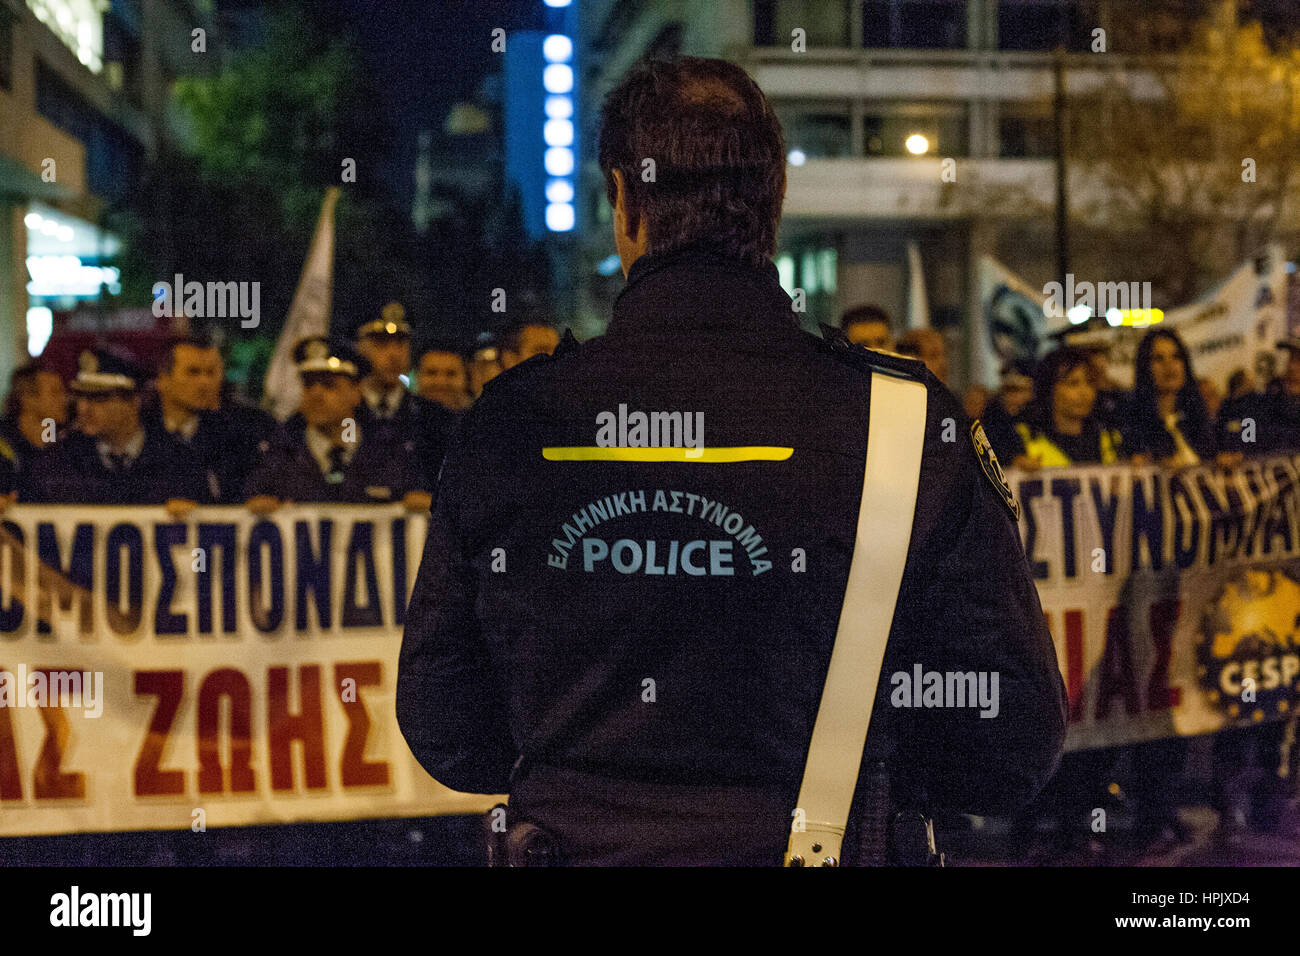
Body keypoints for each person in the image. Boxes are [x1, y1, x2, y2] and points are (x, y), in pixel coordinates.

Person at [396, 55, 1067, 866]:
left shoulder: (508, 422)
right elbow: (1008, 738)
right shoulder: (906, 423)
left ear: (623, 201)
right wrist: (859, 763)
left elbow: (445, 722)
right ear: (773, 203)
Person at [243, 337, 426, 511]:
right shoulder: (277, 456)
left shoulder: (392, 453)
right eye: (309, 384)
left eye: (329, 385)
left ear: (356, 392)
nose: (316, 394)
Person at [33, 350, 206, 512]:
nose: (84, 407)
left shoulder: (178, 461)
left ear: (134, 402)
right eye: (80, 397)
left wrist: (193, 513)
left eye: (99, 398)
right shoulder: (59, 460)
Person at [146, 336, 277, 504]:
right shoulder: (141, 431)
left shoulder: (241, 433)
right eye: (193, 372)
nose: (204, 382)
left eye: (211, 373)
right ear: (163, 380)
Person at [352, 303, 457, 500]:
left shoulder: (436, 419)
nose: (393, 354)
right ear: (360, 348)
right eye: (381, 344)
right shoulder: (342, 414)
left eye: (401, 343)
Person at [1013, 346, 1124, 467]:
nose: (1084, 392)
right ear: (1049, 388)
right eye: (1073, 383)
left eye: (1090, 382)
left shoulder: (1111, 438)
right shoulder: (1022, 438)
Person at [1126, 328, 1215, 468]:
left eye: (1176, 357)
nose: (1169, 365)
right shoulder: (1132, 423)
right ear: (1145, 367)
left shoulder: (1199, 418)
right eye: (1158, 359)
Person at [1217, 338, 1300, 456]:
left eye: (1299, 360)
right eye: (1291, 358)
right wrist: (1238, 448)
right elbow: (1245, 435)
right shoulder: (1262, 401)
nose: (1292, 366)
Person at [0, 363, 68, 501]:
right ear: (27, 399)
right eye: (55, 392)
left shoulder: (66, 444)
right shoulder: (4, 446)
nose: (64, 399)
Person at [978, 358, 1034, 468]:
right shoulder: (992, 419)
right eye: (1008, 390)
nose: (1012, 397)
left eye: (1018, 390)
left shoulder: (1037, 418)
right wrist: (1013, 460)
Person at [417, 342, 471, 412]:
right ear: (417, 377)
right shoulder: (404, 418)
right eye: (431, 373)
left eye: (451, 374)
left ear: (465, 379)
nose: (441, 382)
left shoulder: (479, 419)